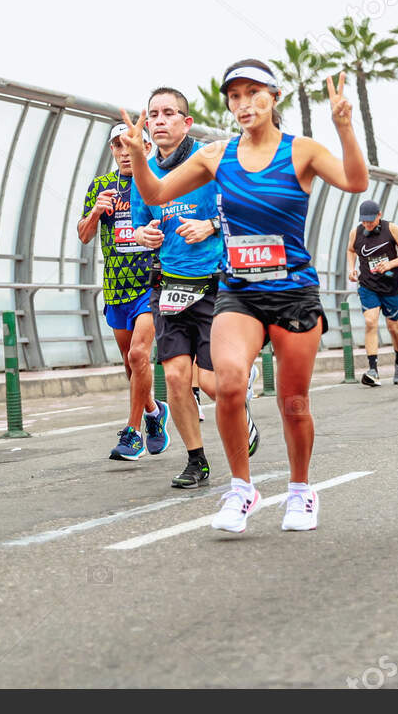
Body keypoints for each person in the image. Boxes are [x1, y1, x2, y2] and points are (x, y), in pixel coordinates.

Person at [125, 62, 368, 535]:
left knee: (293, 402)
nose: (242, 104)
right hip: (239, 291)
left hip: (293, 291)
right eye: (234, 96)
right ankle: (242, 489)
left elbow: (355, 182)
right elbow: (154, 190)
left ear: (273, 97)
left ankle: (301, 491)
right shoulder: (217, 156)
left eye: (252, 93)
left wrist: (343, 126)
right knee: (230, 384)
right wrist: (139, 154)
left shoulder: (302, 152)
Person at [130, 86, 259, 489]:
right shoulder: (144, 169)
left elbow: (248, 206)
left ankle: (243, 399)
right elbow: (139, 219)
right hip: (169, 284)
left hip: (215, 284)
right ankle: (196, 460)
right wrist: (144, 234)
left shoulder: (211, 160)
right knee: (174, 378)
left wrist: (212, 225)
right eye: (154, 114)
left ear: (186, 123)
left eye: (169, 113)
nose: (159, 120)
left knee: (212, 383)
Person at [78, 123, 167, 463]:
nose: (125, 151)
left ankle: (133, 434)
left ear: (146, 147)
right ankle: (154, 411)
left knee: (139, 357)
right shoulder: (101, 186)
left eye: (132, 144)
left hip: (151, 283)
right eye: (118, 145)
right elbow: (84, 235)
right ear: (113, 150)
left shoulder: (157, 181)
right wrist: (97, 211)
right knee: (132, 367)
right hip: (117, 287)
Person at [348, 198, 398, 386]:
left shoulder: (391, 229)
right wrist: (351, 268)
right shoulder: (356, 232)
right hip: (368, 285)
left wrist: (391, 264)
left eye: (371, 220)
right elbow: (350, 250)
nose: (367, 224)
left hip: (391, 286)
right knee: (370, 321)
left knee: (392, 327)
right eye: (364, 221)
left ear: (379, 215)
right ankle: (373, 370)